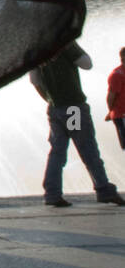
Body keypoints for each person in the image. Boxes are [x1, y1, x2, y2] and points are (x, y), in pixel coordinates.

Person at [30, 42, 125, 208]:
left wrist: (50, 100)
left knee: (57, 152)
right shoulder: (65, 44)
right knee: (87, 148)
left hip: (55, 108)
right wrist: (72, 46)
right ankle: (103, 189)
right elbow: (87, 64)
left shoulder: (36, 50)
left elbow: (35, 81)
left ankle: (52, 193)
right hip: (73, 107)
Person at [107, 47, 125, 150]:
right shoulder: (117, 75)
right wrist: (111, 112)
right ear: (122, 58)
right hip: (121, 115)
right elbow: (110, 97)